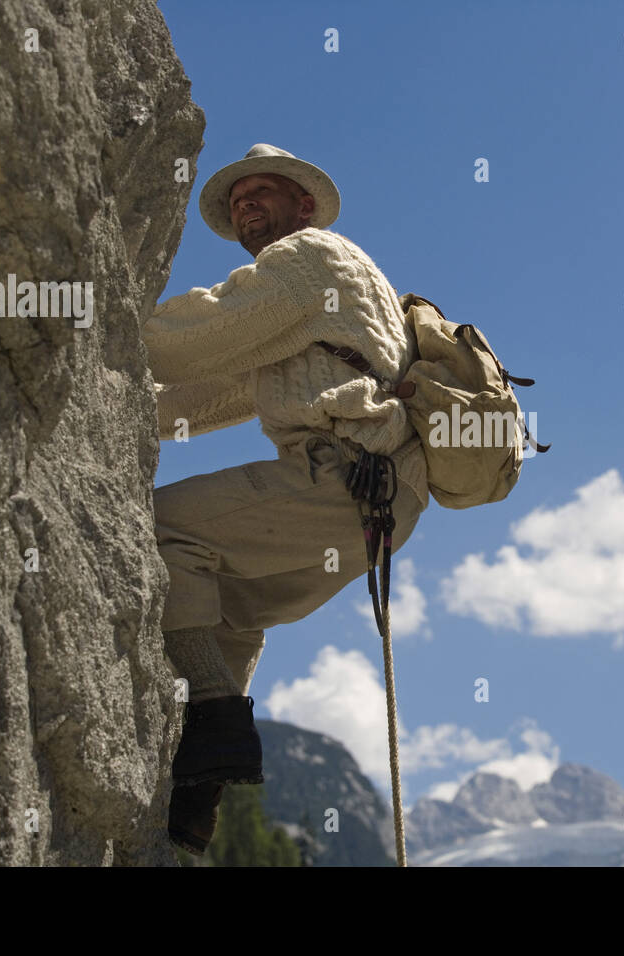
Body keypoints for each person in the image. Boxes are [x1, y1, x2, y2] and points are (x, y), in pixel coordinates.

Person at [143, 144, 429, 854]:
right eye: (238, 199)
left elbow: (188, 339)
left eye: (262, 192)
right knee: (229, 608)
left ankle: (214, 722)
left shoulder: (308, 260)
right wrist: (119, 408)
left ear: (304, 206)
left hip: (341, 480)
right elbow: (211, 395)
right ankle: (194, 799)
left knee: (156, 530)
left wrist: (90, 321)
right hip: (374, 505)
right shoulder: (305, 312)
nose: (246, 204)